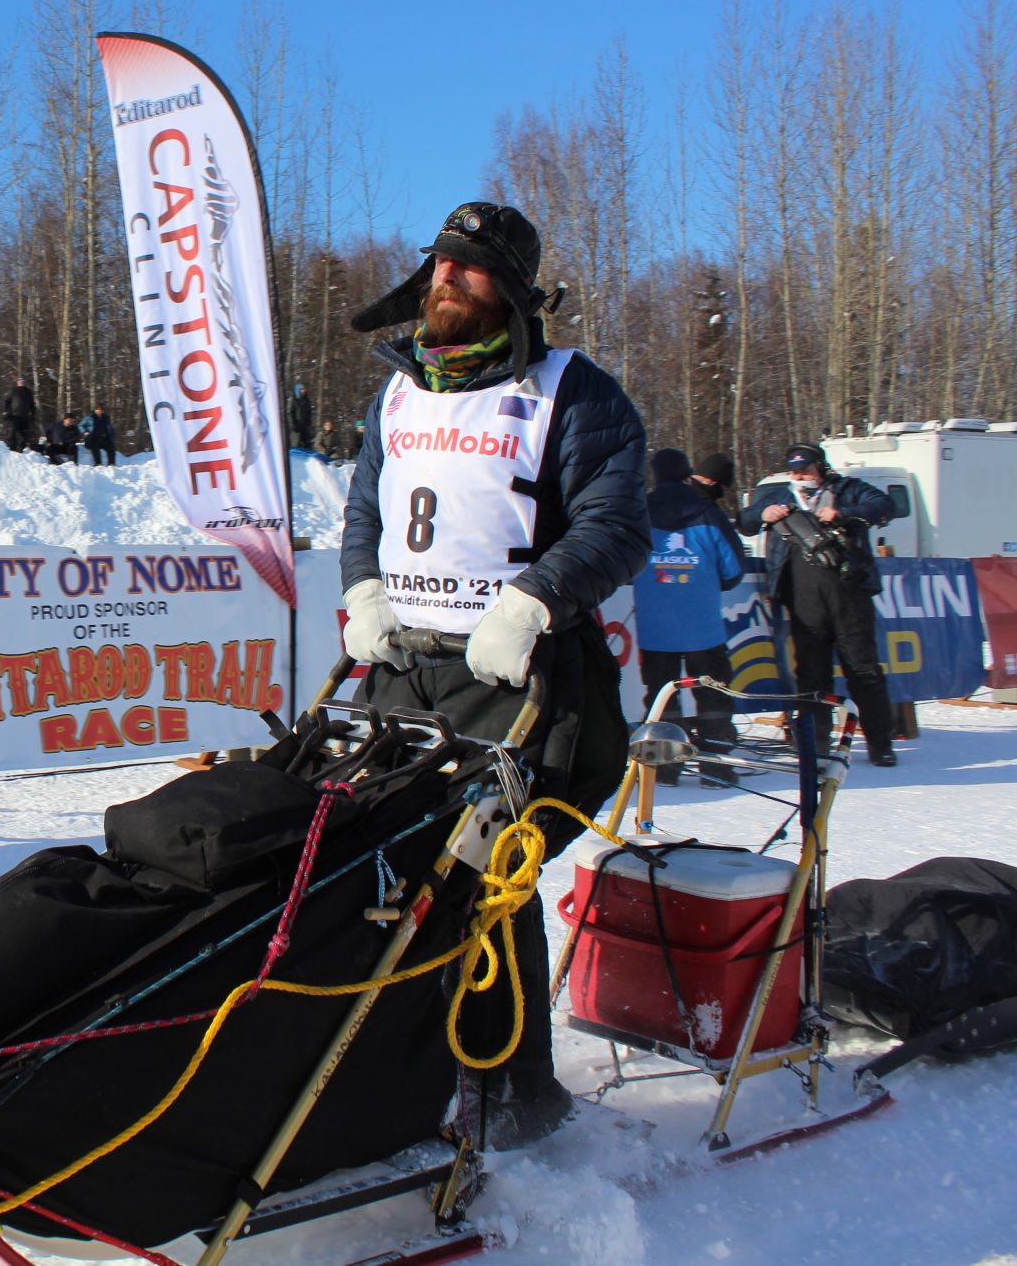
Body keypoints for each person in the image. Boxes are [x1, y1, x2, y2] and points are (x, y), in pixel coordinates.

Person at [340, 200, 648, 1149]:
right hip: (404, 673)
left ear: (512, 291)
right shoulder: (395, 392)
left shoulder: (576, 392)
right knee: (375, 864)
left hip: (515, 677)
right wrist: (362, 590)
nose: (446, 280)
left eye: (470, 269)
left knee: (488, 876)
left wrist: (534, 601)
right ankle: (393, 1066)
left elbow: (616, 524)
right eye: (439, 263)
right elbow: (366, 509)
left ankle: (516, 1087)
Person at [736, 443, 899, 766]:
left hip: (848, 593)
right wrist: (762, 514)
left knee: (863, 668)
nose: (800, 477)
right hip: (802, 598)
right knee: (811, 674)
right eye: (795, 471)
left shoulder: (848, 489)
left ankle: (881, 743)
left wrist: (844, 513)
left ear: (820, 469)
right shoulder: (781, 495)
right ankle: (815, 742)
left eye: (806, 471)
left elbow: (885, 506)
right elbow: (745, 521)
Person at [634, 448, 747, 785]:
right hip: (703, 626)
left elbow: (623, 564)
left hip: (655, 626)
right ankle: (716, 767)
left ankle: (664, 768)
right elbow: (733, 569)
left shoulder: (640, 513)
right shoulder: (708, 513)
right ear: (687, 472)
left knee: (661, 696)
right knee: (712, 695)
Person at [2, 376, 36, 453]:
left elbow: (32, 404)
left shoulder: (28, 392)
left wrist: (33, 415)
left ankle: (21, 449)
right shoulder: (13, 390)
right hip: (15, 416)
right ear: (17, 382)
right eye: (20, 381)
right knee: (12, 433)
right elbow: (6, 401)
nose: (21, 382)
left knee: (24, 434)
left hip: (25, 416)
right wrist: (7, 412)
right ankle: (11, 449)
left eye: (23, 381)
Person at [285, 382, 315, 450]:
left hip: (305, 427)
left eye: (304, 389)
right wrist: (292, 424)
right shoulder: (292, 400)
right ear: (297, 390)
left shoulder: (307, 401)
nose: (304, 390)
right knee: (295, 445)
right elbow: (289, 412)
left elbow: (309, 412)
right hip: (296, 427)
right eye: (301, 389)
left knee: (307, 444)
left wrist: (309, 422)